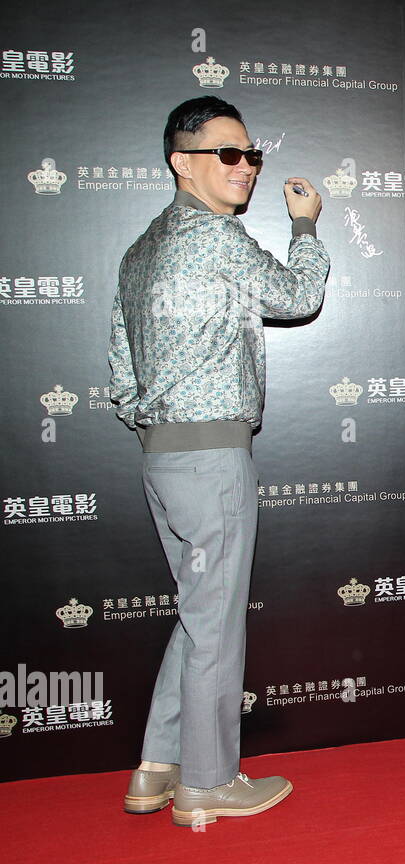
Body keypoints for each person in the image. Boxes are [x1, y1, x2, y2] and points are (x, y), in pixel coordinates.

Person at [109, 96, 329, 823]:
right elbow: (297, 297)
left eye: (251, 155)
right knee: (216, 623)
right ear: (183, 162)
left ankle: (157, 767)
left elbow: (120, 373)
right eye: (227, 155)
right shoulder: (214, 237)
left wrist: (160, 427)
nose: (245, 168)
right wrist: (305, 226)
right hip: (210, 458)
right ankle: (208, 780)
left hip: (163, 460)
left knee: (198, 617)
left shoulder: (140, 250)